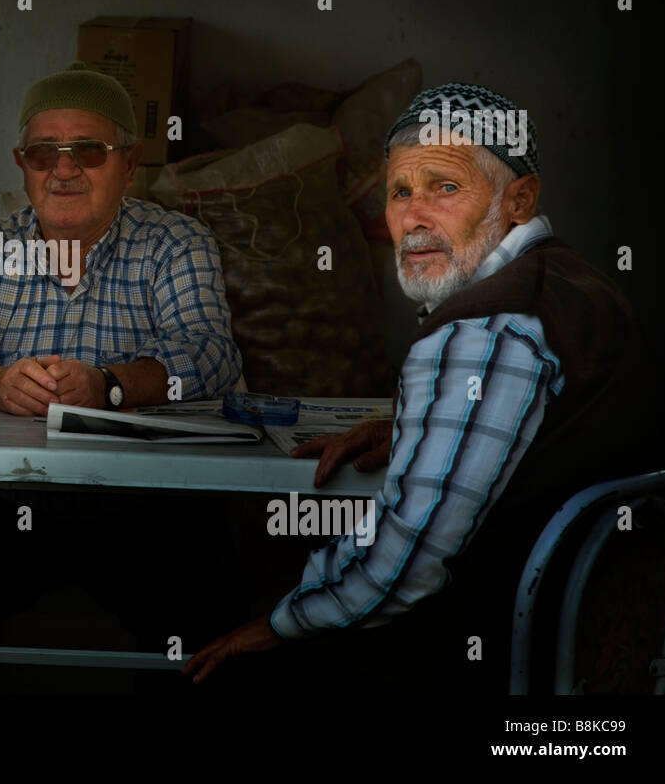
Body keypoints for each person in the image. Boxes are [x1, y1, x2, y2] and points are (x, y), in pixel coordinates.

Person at [184, 83, 639, 693]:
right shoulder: (572, 282)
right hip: (575, 622)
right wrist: (406, 428)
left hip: (490, 645)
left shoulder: (488, 330)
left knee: (223, 639)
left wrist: (279, 623)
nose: (413, 216)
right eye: (400, 191)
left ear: (519, 200)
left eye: (445, 187)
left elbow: (409, 560)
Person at [0, 61, 243, 411]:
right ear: (22, 164)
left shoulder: (174, 243)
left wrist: (109, 384)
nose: (63, 170)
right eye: (43, 153)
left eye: (89, 151)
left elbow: (210, 354)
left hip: (136, 465)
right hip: (4, 463)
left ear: (129, 164)